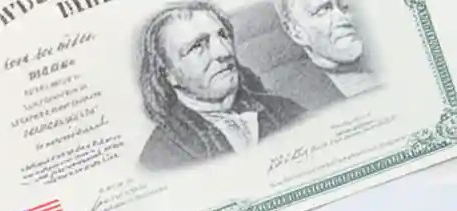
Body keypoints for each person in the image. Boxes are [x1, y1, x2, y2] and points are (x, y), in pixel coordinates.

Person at [138, 1, 306, 171]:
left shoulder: (285, 110)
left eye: (223, 36)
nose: (224, 52)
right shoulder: (161, 155)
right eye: (197, 46)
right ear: (168, 74)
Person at [270, 0, 377, 110]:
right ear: (296, 32)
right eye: (323, 11)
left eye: (345, 6)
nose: (343, 17)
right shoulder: (300, 108)